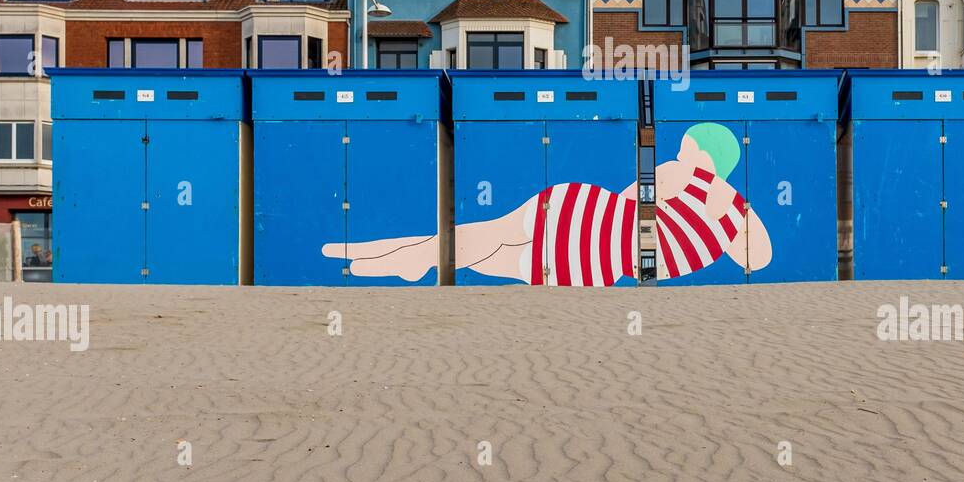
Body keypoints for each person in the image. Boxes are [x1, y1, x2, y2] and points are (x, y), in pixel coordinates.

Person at [322, 122, 772, 284]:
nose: (677, 153)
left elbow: (632, 199)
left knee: (483, 237)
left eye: (685, 147)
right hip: (593, 269)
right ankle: (380, 259)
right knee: (484, 259)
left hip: (578, 215)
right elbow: (759, 260)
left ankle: (382, 257)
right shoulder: (734, 215)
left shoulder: (684, 172)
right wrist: (741, 208)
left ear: (699, 153)